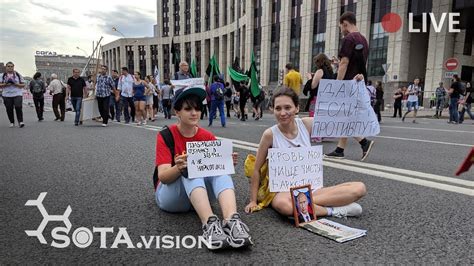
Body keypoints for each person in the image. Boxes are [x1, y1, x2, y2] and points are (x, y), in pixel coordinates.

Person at [155, 86, 252, 250]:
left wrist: (225, 162)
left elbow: (216, 169)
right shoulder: (166, 135)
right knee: (190, 169)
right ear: (177, 112)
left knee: (218, 170)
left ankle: (232, 221)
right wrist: (179, 167)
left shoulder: (206, 136)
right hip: (171, 197)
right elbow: (163, 177)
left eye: (198, 108)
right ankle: (209, 225)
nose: (194, 113)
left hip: (200, 196)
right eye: (188, 109)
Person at [245, 88, 366, 219]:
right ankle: (333, 210)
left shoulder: (306, 124)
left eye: (287, 107)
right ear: (272, 110)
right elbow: (256, 169)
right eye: (278, 108)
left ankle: (304, 205)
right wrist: (253, 200)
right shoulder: (269, 134)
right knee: (283, 205)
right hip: (284, 192)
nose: (283, 113)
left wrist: (349, 87)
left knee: (360, 188)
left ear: (297, 108)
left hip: (311, 188)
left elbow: (336, 122)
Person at [324, 11, 374, 161]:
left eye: (341, 27)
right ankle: (340, 149)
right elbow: (355, 63)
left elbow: (345, 63)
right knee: (346, 116)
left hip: (346, 84)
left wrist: (337, 85)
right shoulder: (363, 40)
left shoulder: (349, 38)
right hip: (357, 82)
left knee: (343, 116)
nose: (342, 30)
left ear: (345, 24)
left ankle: (364, 142)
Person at [0, 62, 26, 128]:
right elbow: (0, 85)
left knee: (18, 106)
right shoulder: (2, 75)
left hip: (17, 93)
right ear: (6, 67)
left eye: (11, 66)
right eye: (8, 66)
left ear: (13, 67)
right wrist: (6, 84)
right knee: (9, 108)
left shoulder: (18, 75)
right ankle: (12, 122)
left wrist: (15, 84)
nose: (10, 68)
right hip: (6, 94)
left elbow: (23, 85)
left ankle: (20, 122)